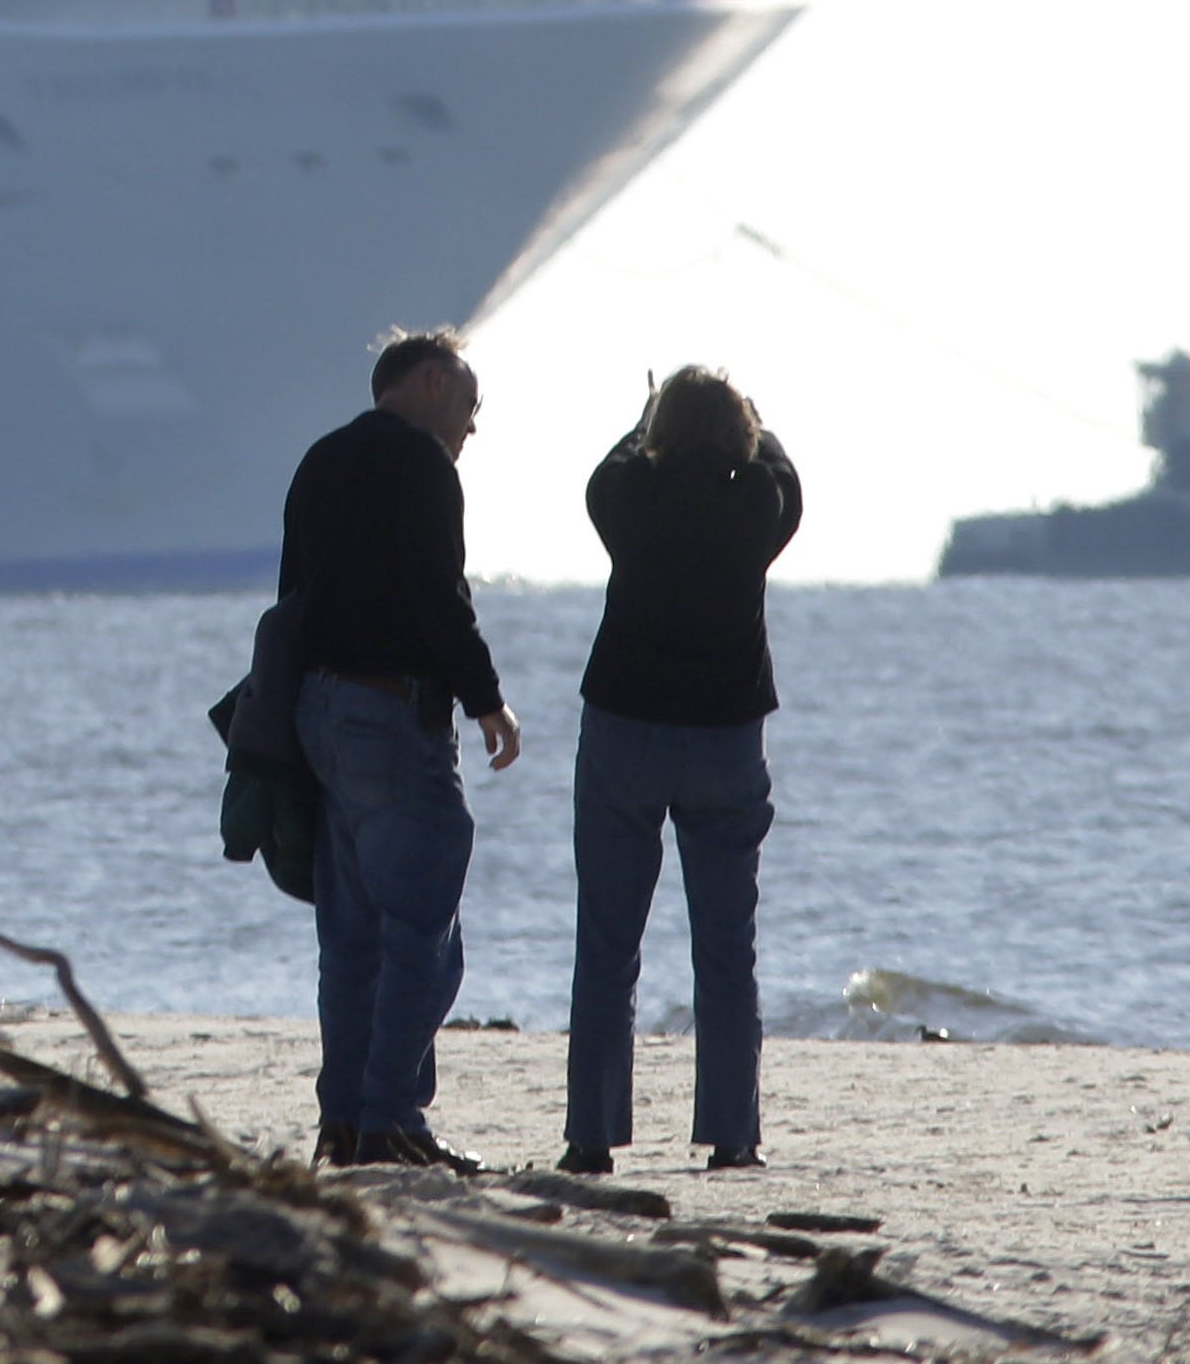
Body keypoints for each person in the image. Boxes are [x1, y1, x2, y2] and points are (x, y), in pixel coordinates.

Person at [275, 325, 523, 1172]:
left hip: (320, 711)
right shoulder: (422, 466)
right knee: (424, 930)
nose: (472, 427)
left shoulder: (319, 459)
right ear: (426, 383)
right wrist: (488, 700)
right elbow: (437, 596)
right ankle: (390, 1120)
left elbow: (291, 598)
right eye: (468, 403)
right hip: (391, 711)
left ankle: (342, 1123)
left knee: (349, 938)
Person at [561, 368, 802, 1178]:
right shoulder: (758, 506)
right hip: (726, 740)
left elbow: (607, 472)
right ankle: (733, 1136)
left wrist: (643, 421)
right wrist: (755, 428)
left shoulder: (630, 501)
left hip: (626, 729)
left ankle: (591, 1136)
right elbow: (786, 476)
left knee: (607, 943)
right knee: (728, 948)